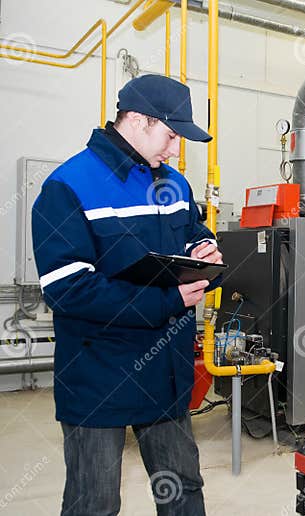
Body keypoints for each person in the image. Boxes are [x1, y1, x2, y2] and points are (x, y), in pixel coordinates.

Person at [32, 74, 220, 516]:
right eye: (171, 136)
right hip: (99, 377)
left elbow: (192, 230)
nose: (174, 150)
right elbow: (69, 289)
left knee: (183, 490)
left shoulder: (173, 183)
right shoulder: (68, 186)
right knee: (93, 500)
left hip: (166, 374)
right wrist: (169, 301)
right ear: (136, 120)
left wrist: (202, 249)